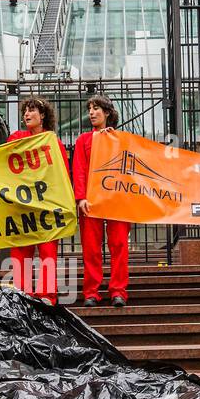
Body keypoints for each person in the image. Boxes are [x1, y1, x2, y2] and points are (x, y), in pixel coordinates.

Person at [7, 97, 69, 305]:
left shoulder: (54, 142)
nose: (26, 114)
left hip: (47, 206)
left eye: (31, 110)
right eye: (25, 111)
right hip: (22, 206)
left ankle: (47, 295)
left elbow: (63, 174)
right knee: (20, 252)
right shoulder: (16, 137)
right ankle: (22, 293)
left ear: (42, 115)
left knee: (47, 251)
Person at [72, 95, 130, 308]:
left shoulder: (121, 139)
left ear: (107, 113)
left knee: (120, 246)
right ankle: (91, 293)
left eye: (96, 108)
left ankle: (118, 292)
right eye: (89, 109)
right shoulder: (83, 140)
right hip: (91, 202)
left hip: (117, 202)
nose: (92, 112)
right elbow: (78, 169)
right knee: (91, 249)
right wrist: (81, 198)